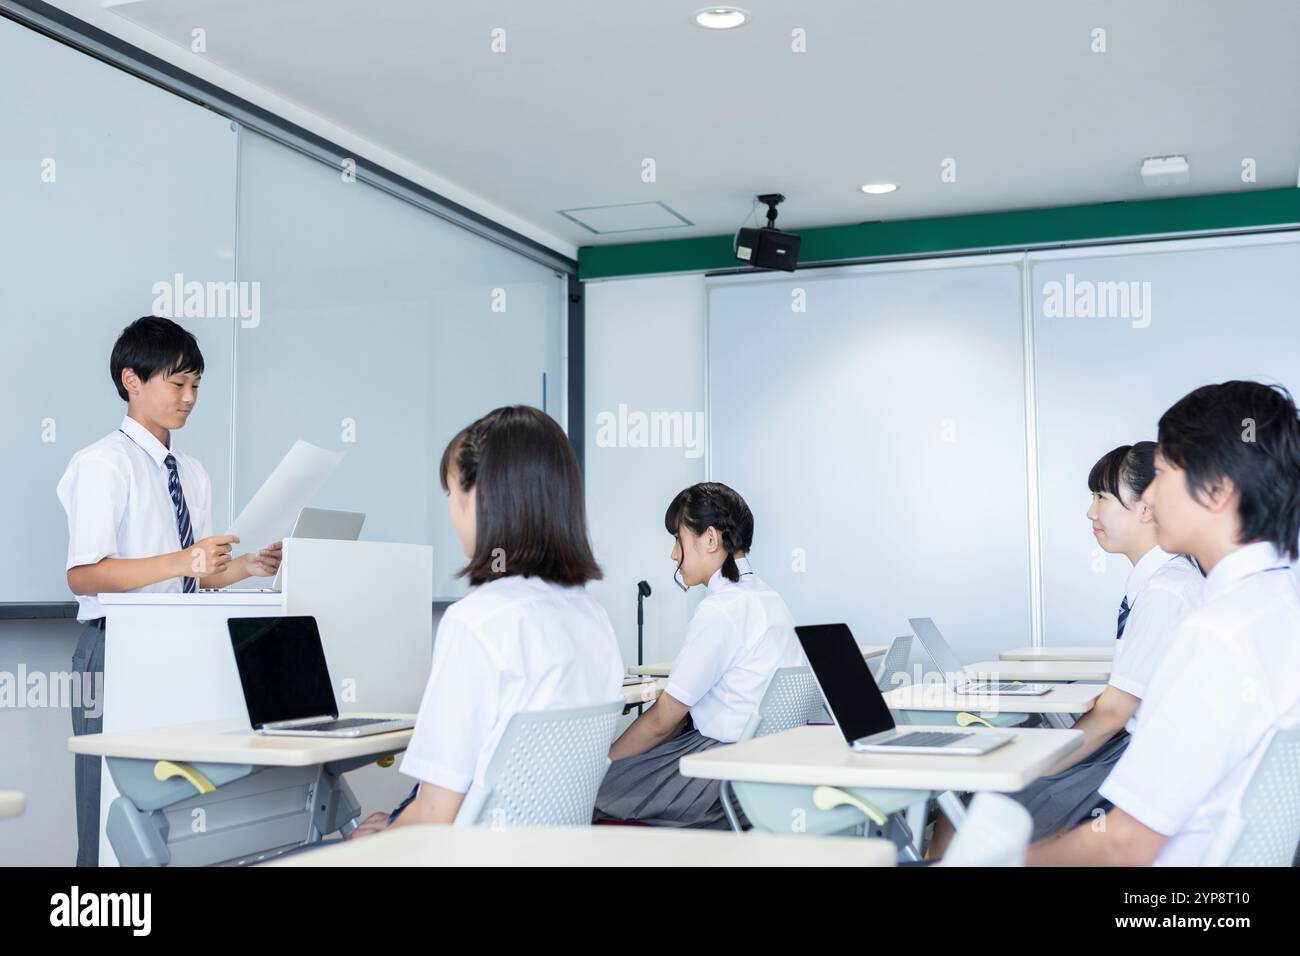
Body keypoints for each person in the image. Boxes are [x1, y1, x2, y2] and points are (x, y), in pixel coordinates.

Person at [58, 316, 280, 866]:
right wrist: (184, 558)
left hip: (180, 646)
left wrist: (247, 566)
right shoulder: (102, 464)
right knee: (108, 798)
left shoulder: (192, 472)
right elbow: (84, 575)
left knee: (175, 799)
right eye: (177, 384)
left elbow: (192, 577)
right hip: (117, 647)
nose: (189, 398)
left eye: (197, 386)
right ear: (132, 381)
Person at [593, 482, 803, 828]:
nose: (673, 555)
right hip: (763, 764)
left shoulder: (721, 609)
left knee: (593, 794)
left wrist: (600, 765)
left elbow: (663, 722)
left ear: (710, 539)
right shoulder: (769, 598)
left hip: (720, 769)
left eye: (678, 540)